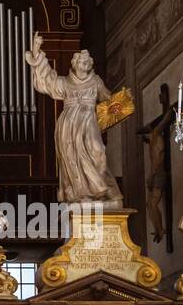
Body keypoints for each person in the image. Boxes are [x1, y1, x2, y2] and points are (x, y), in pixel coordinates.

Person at [25, 33, 122, 205]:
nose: (84, 65)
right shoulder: (65, 82)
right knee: (73, 156)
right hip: (69, 125)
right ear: (75, 64)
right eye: (81, 62)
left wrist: (121, 105)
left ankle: (98, 190)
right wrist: (36, 51)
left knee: (97, 150)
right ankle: (82, 193)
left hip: (89, 122)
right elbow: (47, 80)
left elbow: (108, 98)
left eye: (87, 63)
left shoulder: (95, 82)